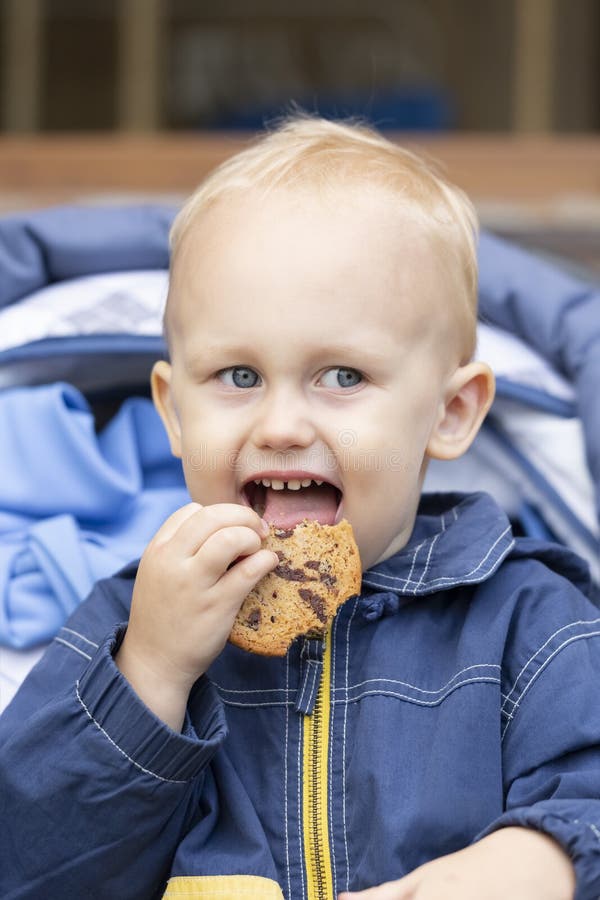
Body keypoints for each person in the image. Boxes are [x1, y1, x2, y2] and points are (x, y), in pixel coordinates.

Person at [1, 116, 599, 900]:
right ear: (173, 412)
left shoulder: (531, 618)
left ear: (450, 414)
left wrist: (531, 864)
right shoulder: (128, 622)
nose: (281, 426)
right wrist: (149, 675)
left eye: (343, 376)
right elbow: (31, 864)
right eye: (239, 377)